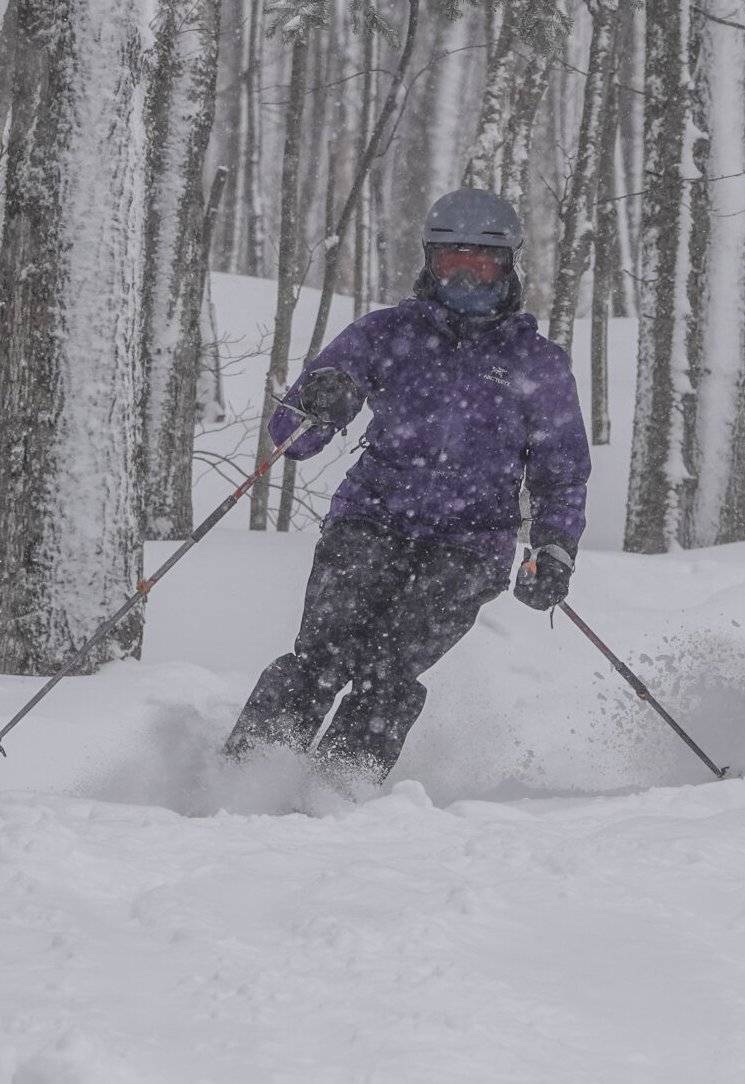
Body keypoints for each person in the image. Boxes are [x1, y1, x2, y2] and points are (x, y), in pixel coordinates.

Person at [223, 187, 592, 782]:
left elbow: (562, 470)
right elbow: (292, 436)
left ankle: (336, 792)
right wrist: (320, 403)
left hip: (470, 544)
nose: (466, 279)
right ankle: (242, 780)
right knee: (322, 657)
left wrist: (553, 549)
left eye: (482, 265)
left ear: (508, 268)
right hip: (371, 519)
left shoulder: (537, 363)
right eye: (453, 263)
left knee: (389, 669)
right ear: (429, 262)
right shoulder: (387, 334)